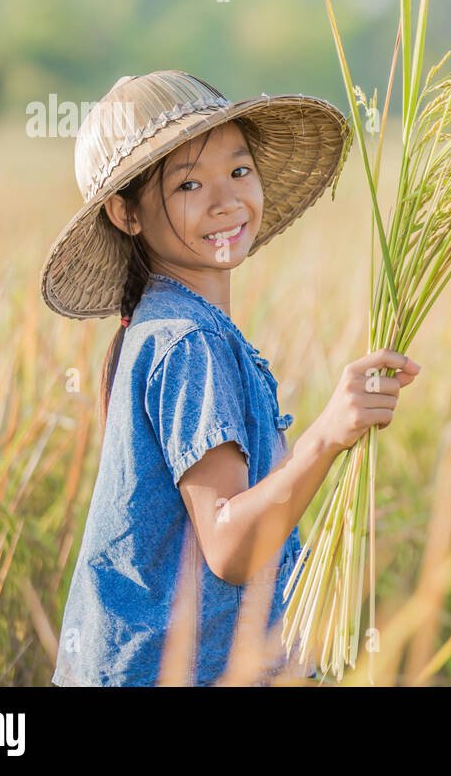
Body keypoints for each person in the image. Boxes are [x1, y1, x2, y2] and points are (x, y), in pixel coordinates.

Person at [39, 70, 420, 685]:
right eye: (189, 183)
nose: (225, 201)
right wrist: (329, 433)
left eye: (239, 172)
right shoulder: (189, 342)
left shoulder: (168, 326)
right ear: (125, 213)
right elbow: (229, 547)